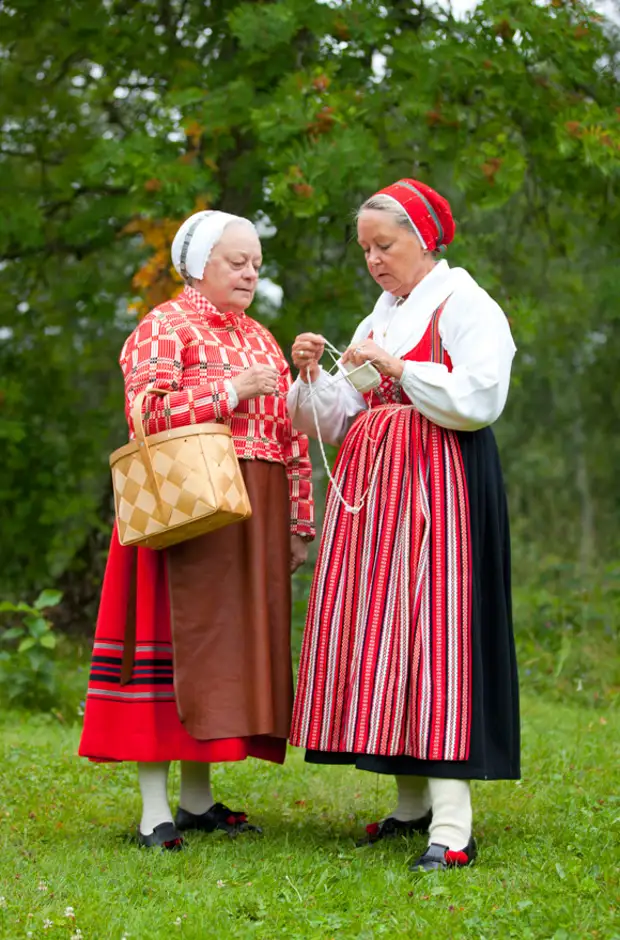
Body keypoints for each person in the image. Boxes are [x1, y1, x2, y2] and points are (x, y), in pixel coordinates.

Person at [287, 178, 519, 871]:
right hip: (379, 492)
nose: (374, 260)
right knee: (388, 633)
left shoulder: (466, 303)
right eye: (365, 249)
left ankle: (453, 827)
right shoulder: (381, 314)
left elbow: (482, 395)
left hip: (440, 483)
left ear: (422, 238)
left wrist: (401, 367)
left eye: (383, 245)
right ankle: (410, 805)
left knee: (435, 633)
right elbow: (335, 416)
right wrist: (308, 380)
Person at [79, 210, 314, 850]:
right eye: (237, 261)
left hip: (250, 510)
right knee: (173, 651)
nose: (249, 273)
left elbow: (290, 438)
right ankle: (154, 812)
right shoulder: (162, 326)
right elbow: (146, 415)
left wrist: (300, 520)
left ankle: (197, 801)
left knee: (218, 657)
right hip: (181, 507)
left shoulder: (263, 337)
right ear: (198, 263)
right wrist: (229, 391)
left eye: (256, 265)